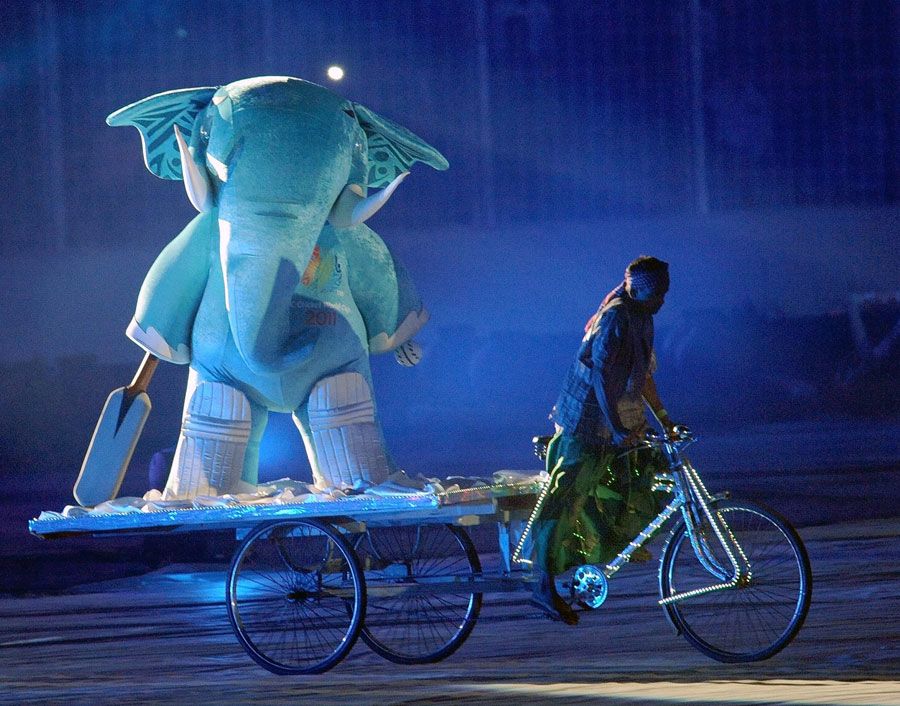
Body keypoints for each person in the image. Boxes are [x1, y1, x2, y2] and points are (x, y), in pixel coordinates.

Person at [530, 255, 675, 625]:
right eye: (656, 293)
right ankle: (541, 584)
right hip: (585, 424)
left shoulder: (642, 317)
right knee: (566, 501)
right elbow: (600, 378)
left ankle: (595, 562)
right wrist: (616, 429)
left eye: (664, 293)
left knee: (631, 486)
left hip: (615, 424)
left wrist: (666, 422)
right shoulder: (615, 317)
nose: (662, 300)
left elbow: (642, 377)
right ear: (636, 289)